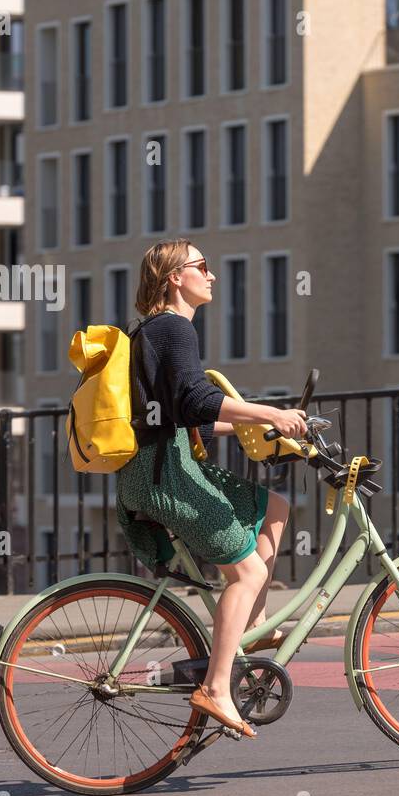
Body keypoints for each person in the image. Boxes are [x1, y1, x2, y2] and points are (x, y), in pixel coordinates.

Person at [115, 238, 308, 738]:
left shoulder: (149, 332)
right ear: (176, 277)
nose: (213, 275)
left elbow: (180, 416)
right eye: (203, 266)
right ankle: (217, 688)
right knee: (244, 573)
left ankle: (250, 630)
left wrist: (259, 429)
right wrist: (271, 412)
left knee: (275, 506)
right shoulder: (173, 327)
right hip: (168, 477)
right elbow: (199, 399)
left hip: (158, 468)